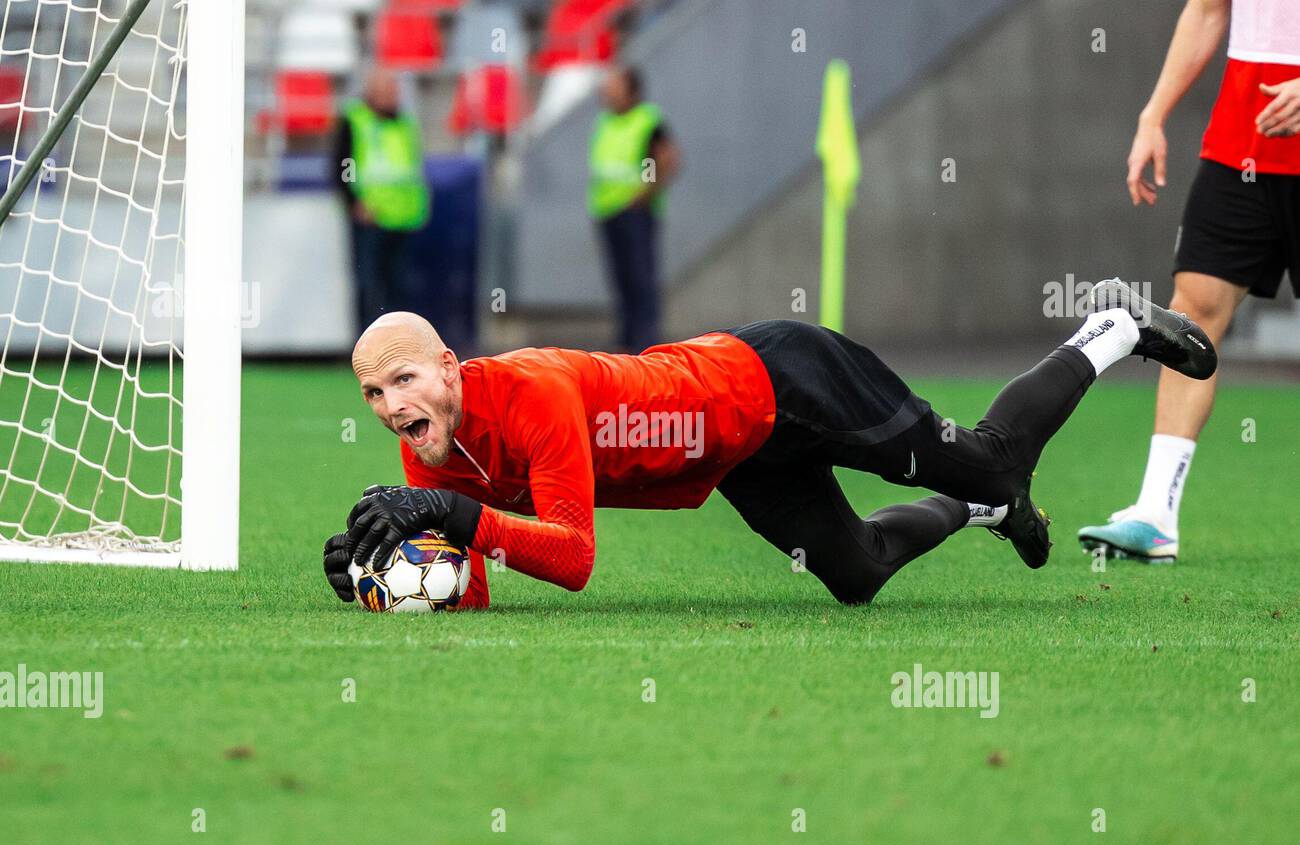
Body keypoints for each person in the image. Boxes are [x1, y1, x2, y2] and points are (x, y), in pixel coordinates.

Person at [322, 281, 1217, 609]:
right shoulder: (429, 447)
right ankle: (979, 509)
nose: (389, 404)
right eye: (372, 393)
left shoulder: (533, 391)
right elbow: (472, 573)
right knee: (858, 574)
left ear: (448, 366)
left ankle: (1109, 328)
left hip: (783, 383)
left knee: (993, 452)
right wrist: (388, 573)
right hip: (735, 452)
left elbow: (574, 558)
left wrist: (449, 515)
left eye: (404, 380)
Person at [1078, 0, 1300, 563]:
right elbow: (1206, 11)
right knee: (1192, 314)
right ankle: (1156, 514)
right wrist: (1153, 115)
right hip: (1240, 143)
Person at [588, 65, 681, 354]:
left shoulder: (647, 120)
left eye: (614, 84)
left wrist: (645, 192)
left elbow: (666, 158)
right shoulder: (605, 121)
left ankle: (646, 346)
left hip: (635, 213)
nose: (607, 89)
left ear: (631, 89)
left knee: (641, 281)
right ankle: (626, 343)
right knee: (622, 281)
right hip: (608, 212)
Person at [335, 67, 432, 338]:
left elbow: (412, 168)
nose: (392, 96)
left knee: (399, 288)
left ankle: (397, 346)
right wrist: (354, 202)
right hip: (371, 217)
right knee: (369, 285)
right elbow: (342, 166)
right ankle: (367, 346)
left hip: (403, 216)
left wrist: (419, 205)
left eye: (394, 90)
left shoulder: (405, 123)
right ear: (371, 92)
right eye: (386, 90)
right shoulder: (355, 120)